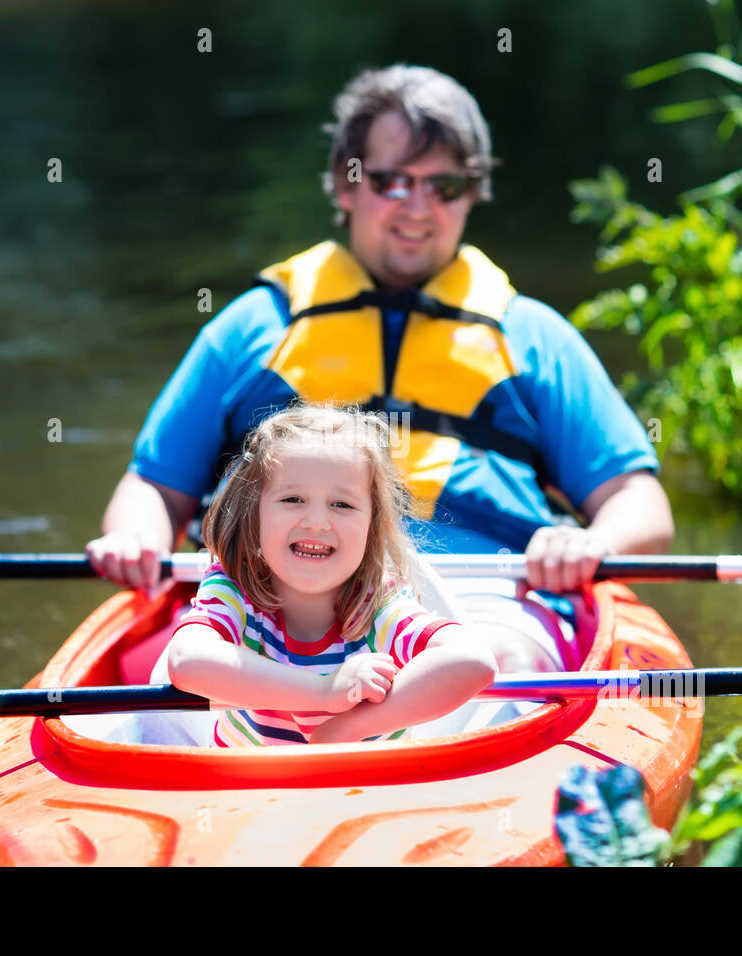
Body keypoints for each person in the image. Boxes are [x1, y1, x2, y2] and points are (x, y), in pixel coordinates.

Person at [88, 64, 672, 635]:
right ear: (345, 183)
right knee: (180, 672)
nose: (417, 208)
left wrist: (590, 543)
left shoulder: (535, 339)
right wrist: (137, 537)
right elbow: (156, 487)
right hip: (269, 596)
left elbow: (637, 501)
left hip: (484, 597)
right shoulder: (251, 329)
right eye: (391, 181)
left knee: (496, 659)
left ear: (473, 194)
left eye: (444, 186)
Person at [164, 405, 497, 746]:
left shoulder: (376, 604)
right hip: (251, 790)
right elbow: (186, 660)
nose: (317, 523)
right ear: (254, 515)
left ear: (372, 527)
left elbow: (473, 660)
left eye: (342, 505)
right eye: (293, 499)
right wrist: (325, 690)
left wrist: (344, 729)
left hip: (368, 793)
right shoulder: (235, 589)